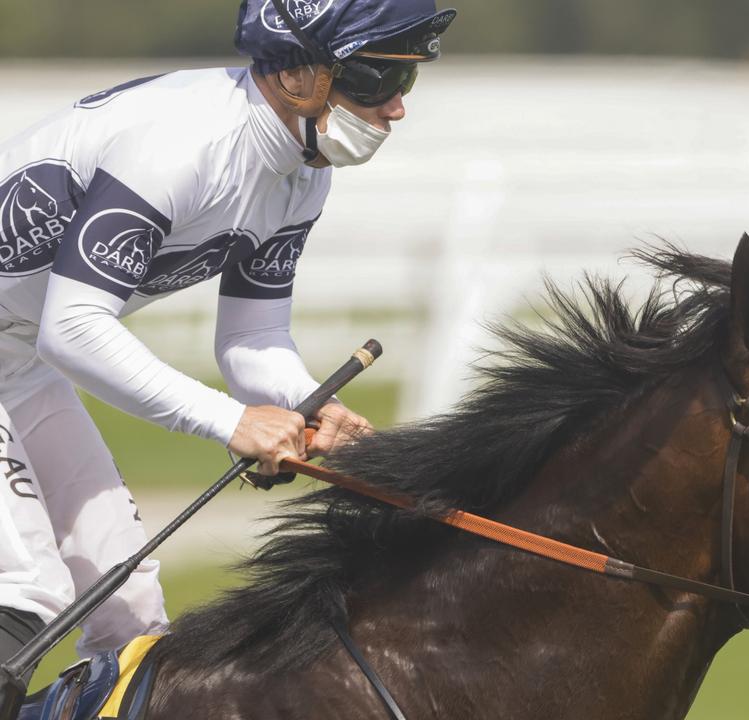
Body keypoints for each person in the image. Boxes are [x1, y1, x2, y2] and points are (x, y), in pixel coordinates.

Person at [0, 0, 456, 669]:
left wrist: (308, 404)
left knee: (128, 611)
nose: (397, 107)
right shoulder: (182, 145)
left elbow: (253, 336)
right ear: (296, 76)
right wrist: (233, 421)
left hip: (15, 362)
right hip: (30, 349)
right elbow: (70, 328)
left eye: (406, 79)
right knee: (25, 590)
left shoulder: (302, 176)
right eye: (377, 78)